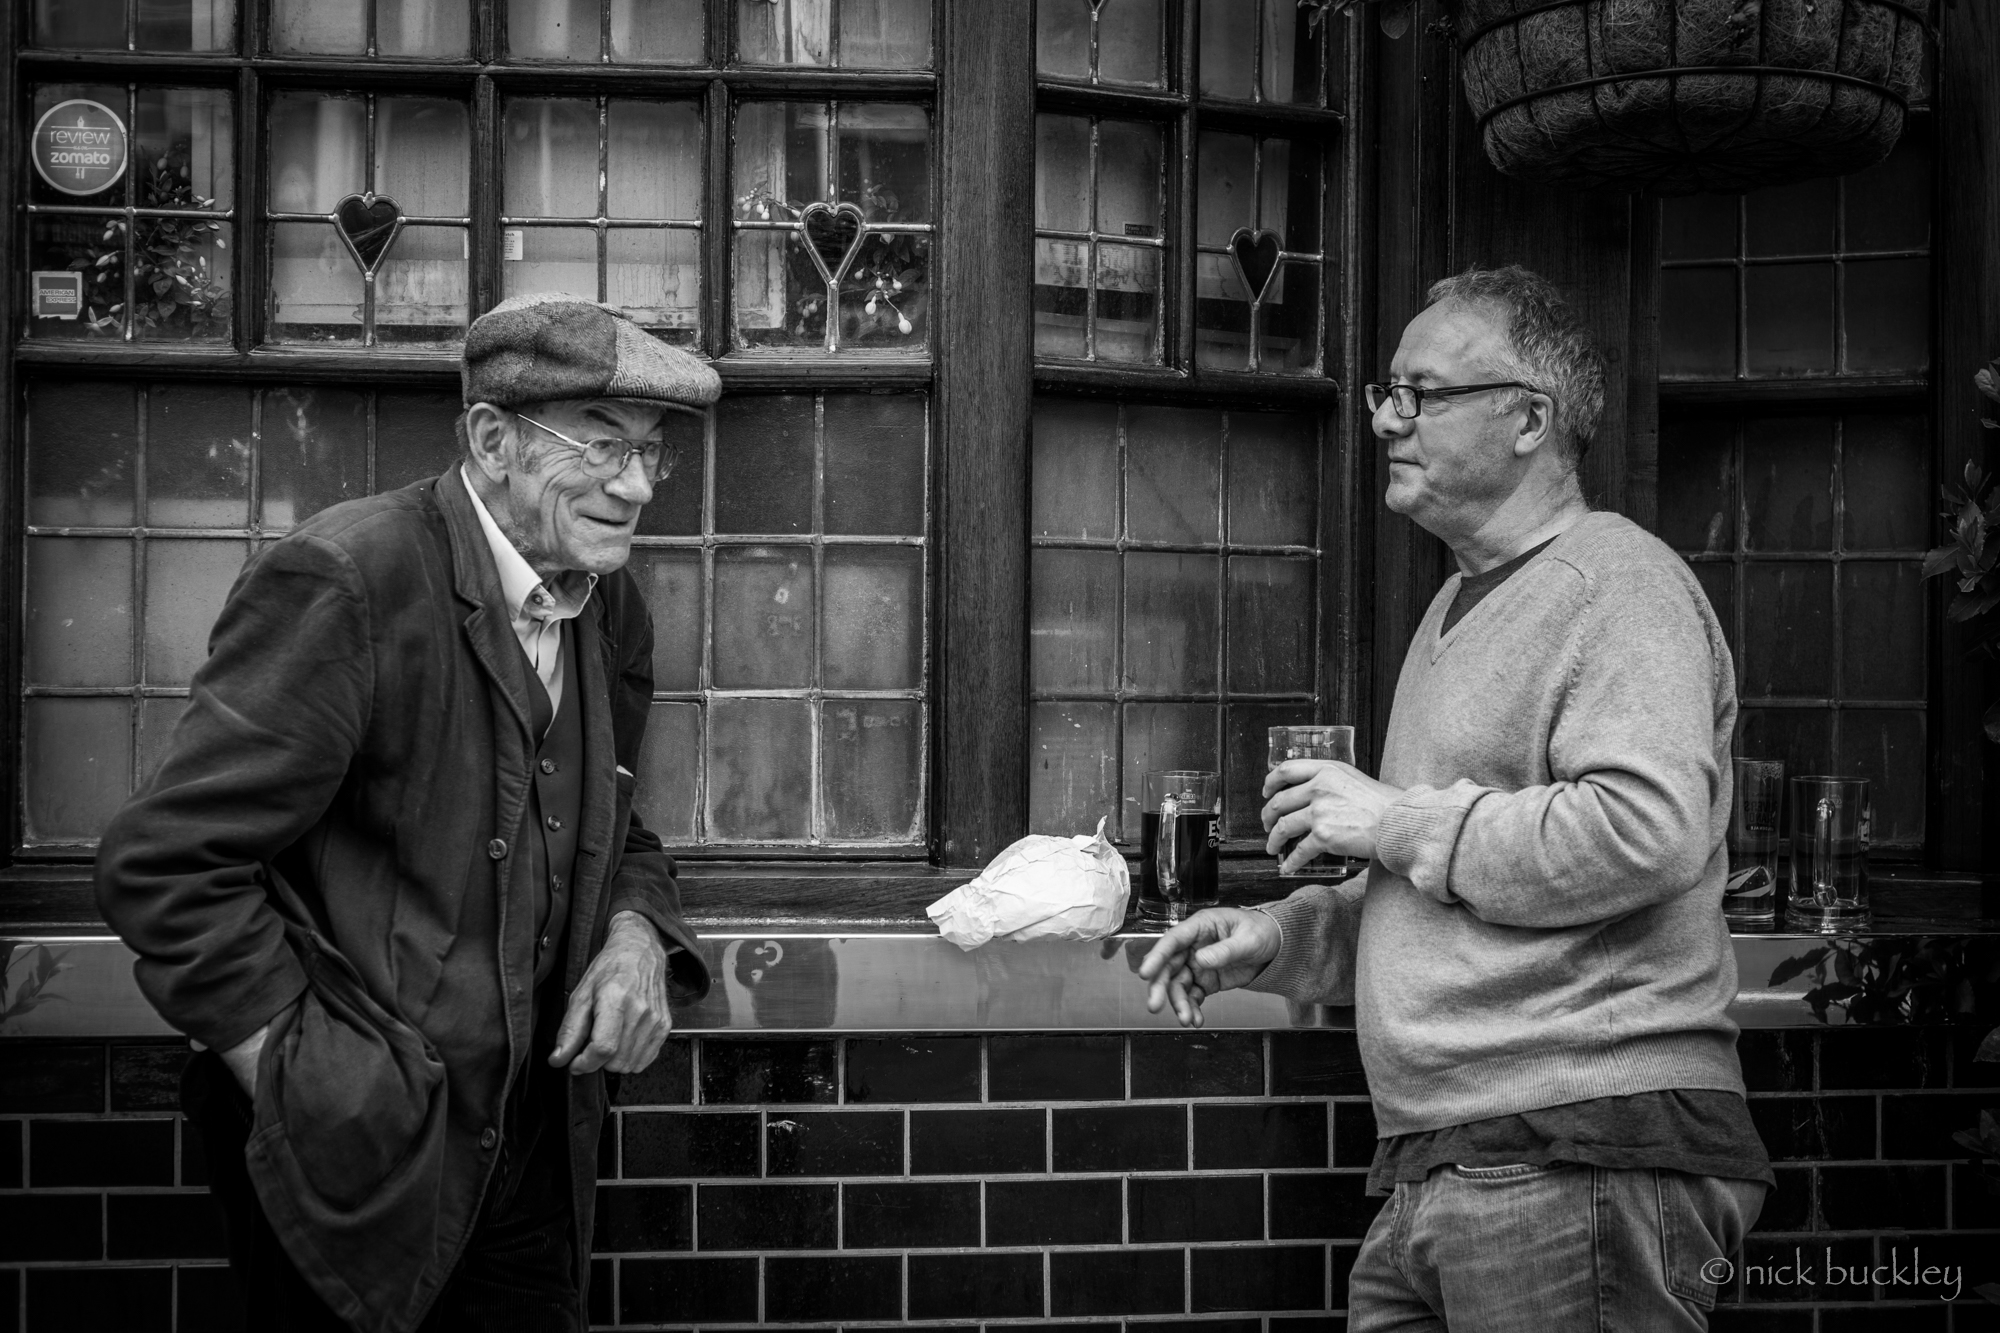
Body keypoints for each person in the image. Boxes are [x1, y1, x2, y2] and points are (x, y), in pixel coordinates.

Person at [1138, 265, 1771, 1331]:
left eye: (1418, 392)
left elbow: (1641, 832)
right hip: (1447, 1162)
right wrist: (1279, 940)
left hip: (1579, 1151)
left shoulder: (1618, 584)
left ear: (1528, 417)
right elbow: (1444, 886)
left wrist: (1386, 816)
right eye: (1390, 392)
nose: (1388, 418)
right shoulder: (1451, 609)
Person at [95, 293, 716, 1333]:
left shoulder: (608, 606)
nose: (637, 483)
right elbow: (167, 864)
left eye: (653, 451)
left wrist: (634, 930)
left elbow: (617, 825)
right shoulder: (350, 578)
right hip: (357, 1155)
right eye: (603, 445)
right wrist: (317, 1080)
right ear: (489, 440)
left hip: (525, 1152)